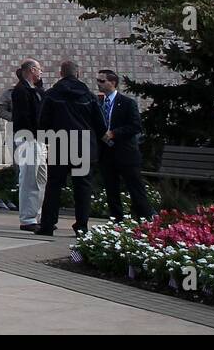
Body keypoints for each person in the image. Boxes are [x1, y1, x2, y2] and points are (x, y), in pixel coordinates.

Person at [36, 60, 105, 237]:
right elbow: (100, 123)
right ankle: (81, 226)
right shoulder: (88, 96)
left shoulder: (52, 94)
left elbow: (42, 121)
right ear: (78, 73)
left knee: (54, 186)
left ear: (61, 74)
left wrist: (46, 139)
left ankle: (47, 225)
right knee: (82, 188)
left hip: (60, 144)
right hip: (82, 146)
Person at [95, 69, 151, 221]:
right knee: (111, 188)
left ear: (112, 83)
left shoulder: (127, 103)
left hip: (126, 153)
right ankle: (116, 218)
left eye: (102, 81)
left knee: (135, 187)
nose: (98, 84)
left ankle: (144, 217)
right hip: (106, 153)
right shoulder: (98, 103)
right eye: (98, 80)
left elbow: (135, 126)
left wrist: (114, 133)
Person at [11, 59, 46, 232]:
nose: (41, 72)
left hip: (37, 139)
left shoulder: (34, 90)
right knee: (29, 179)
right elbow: (27, 117)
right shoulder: (21, 91)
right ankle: (27, 218)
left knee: (40, 178)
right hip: (28, 139)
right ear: (32, 70)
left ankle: (36, 215)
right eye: (39, 69)